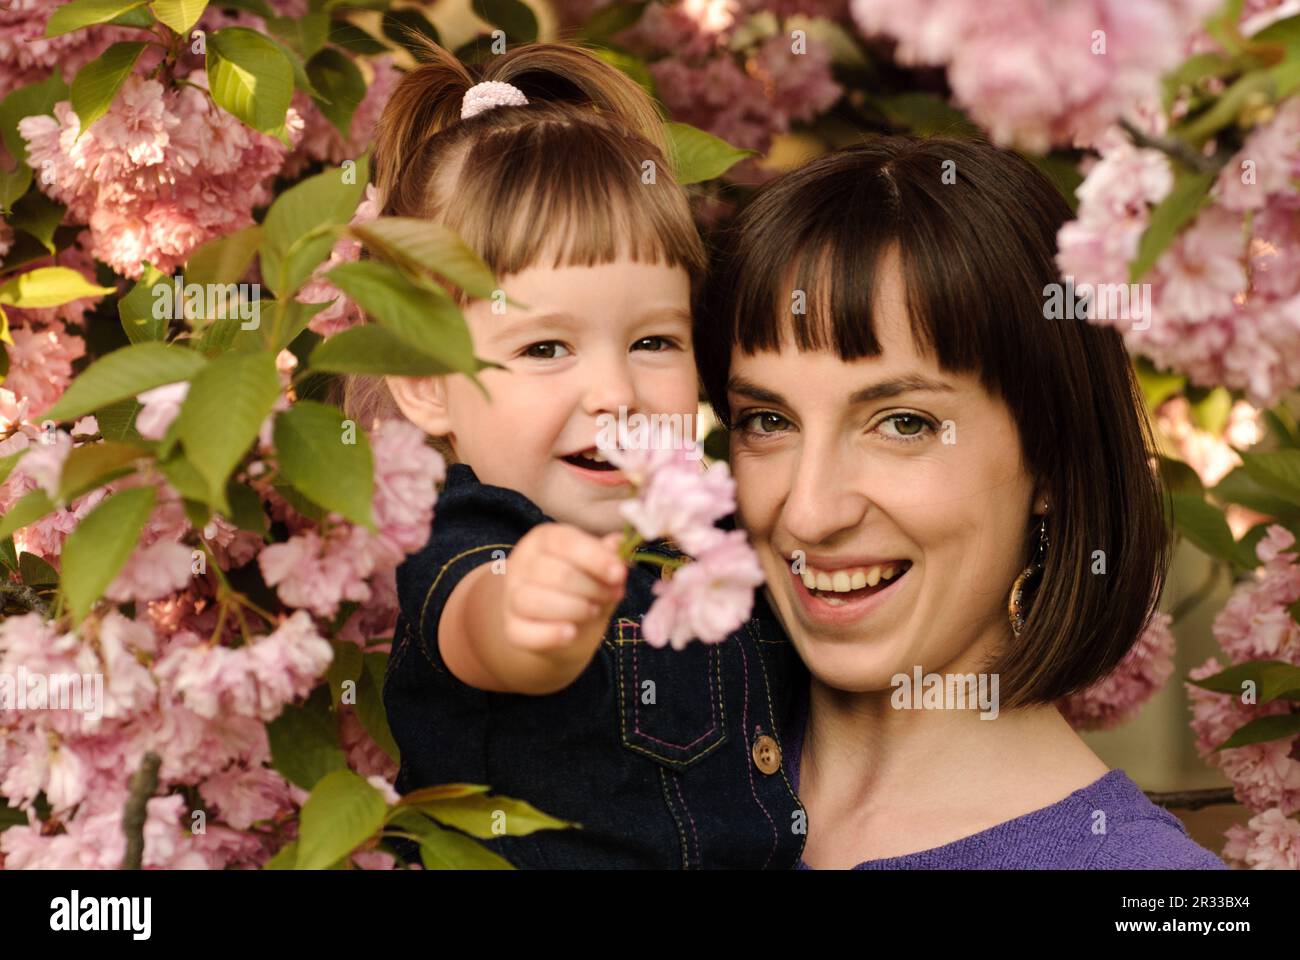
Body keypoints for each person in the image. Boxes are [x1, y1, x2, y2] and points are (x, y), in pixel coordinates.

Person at [694, 136, 1227, 869]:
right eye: (769, 421)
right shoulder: (640, 779)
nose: (809, 513)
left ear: (1050, 461)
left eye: (903, 423)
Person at [346, 39, 805, 868]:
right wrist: (530, 610)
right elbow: (482, 625)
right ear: (424, 380)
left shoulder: (705, 526)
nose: (614, 393)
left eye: (654, 341)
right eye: (546, 348)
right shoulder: (471, 536)